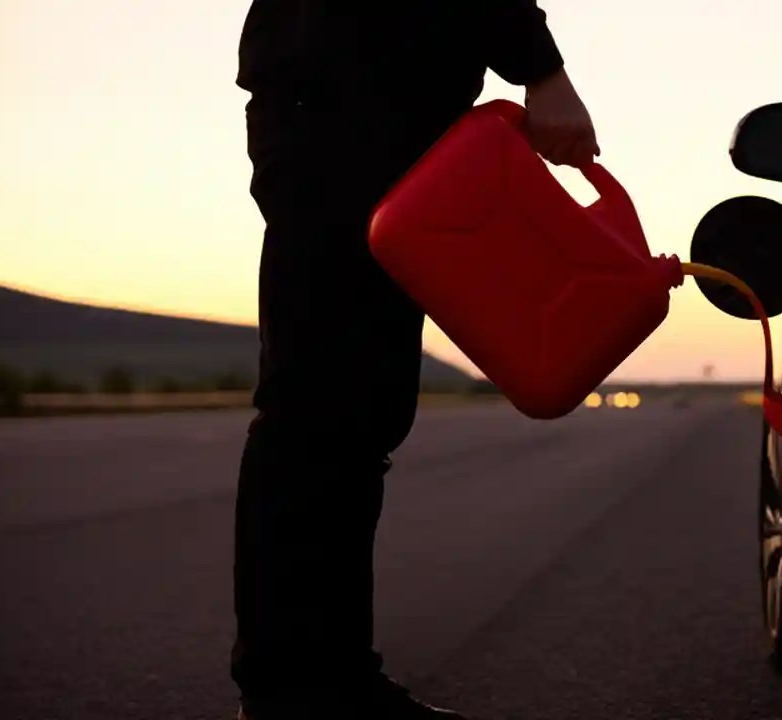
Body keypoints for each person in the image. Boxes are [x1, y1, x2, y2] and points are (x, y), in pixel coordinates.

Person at [230, 3, 599, 718]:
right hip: (344, 92)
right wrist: (541, 67)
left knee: (357, 411)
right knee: (320, 409)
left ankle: (328, 682)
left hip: (371, 97)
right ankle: (291, 692)